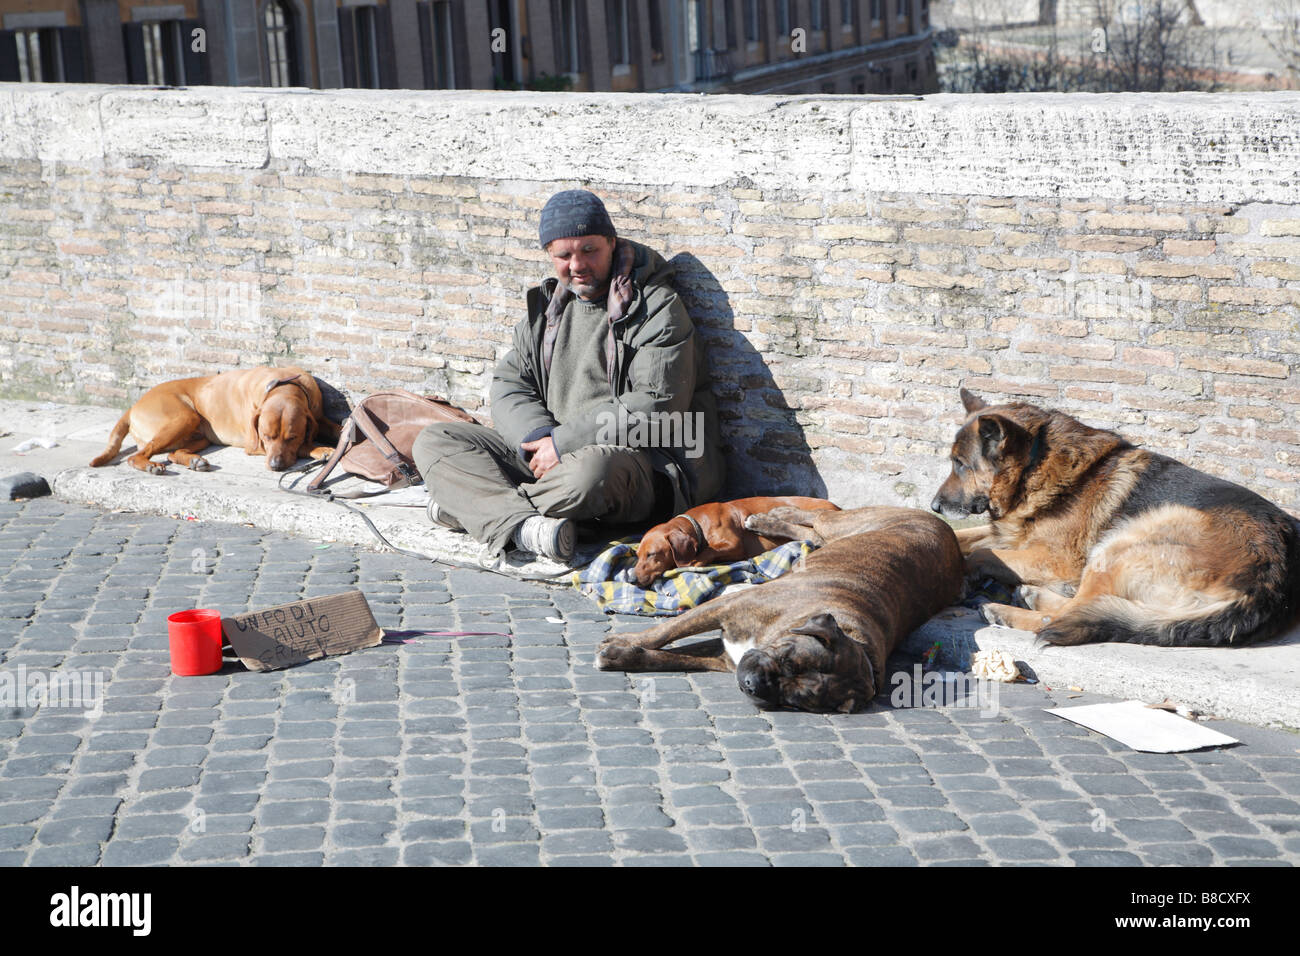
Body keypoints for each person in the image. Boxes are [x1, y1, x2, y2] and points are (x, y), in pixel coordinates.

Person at [412, 189, 724, 563]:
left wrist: (563, 444)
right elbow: (511, 383)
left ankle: (477, 508)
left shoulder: (656, 306)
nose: (577, 264)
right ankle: (517, 521)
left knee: (591, 472)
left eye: (589, 250)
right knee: (436, 439)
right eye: (564, 255)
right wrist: (540, 440)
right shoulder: (547, 309)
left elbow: (657, 402)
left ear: (611, 243)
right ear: (550, 255)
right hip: (548, 455)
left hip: (641, 461)